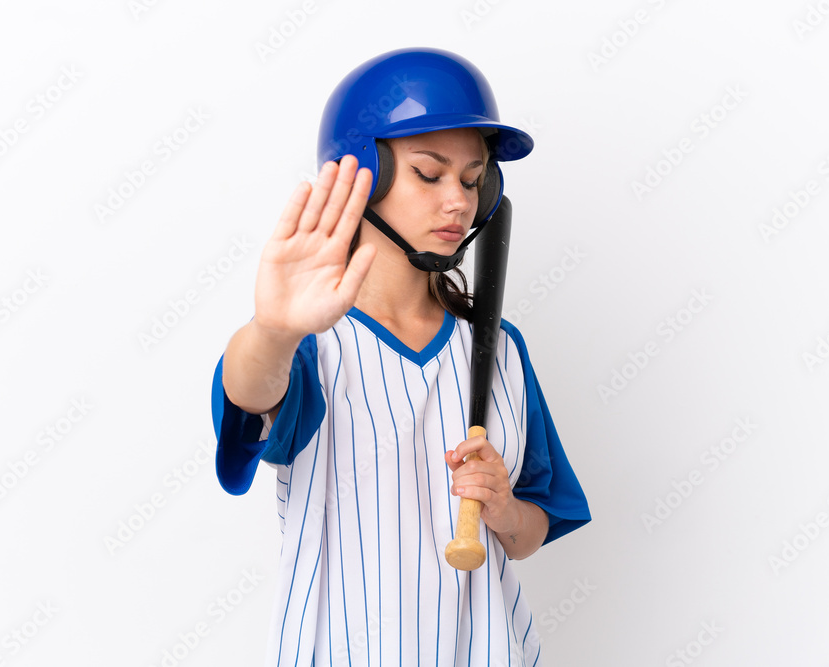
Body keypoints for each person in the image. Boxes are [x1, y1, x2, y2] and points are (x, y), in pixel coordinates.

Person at [210, 47, 591, 666]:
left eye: (473, 179)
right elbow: (250, 388)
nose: (459, 202)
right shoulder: (308, 344)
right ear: (365, 174)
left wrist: (502, 507)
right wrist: (273, 329)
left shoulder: (499, 348)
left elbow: (530, 532)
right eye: (429, 173)